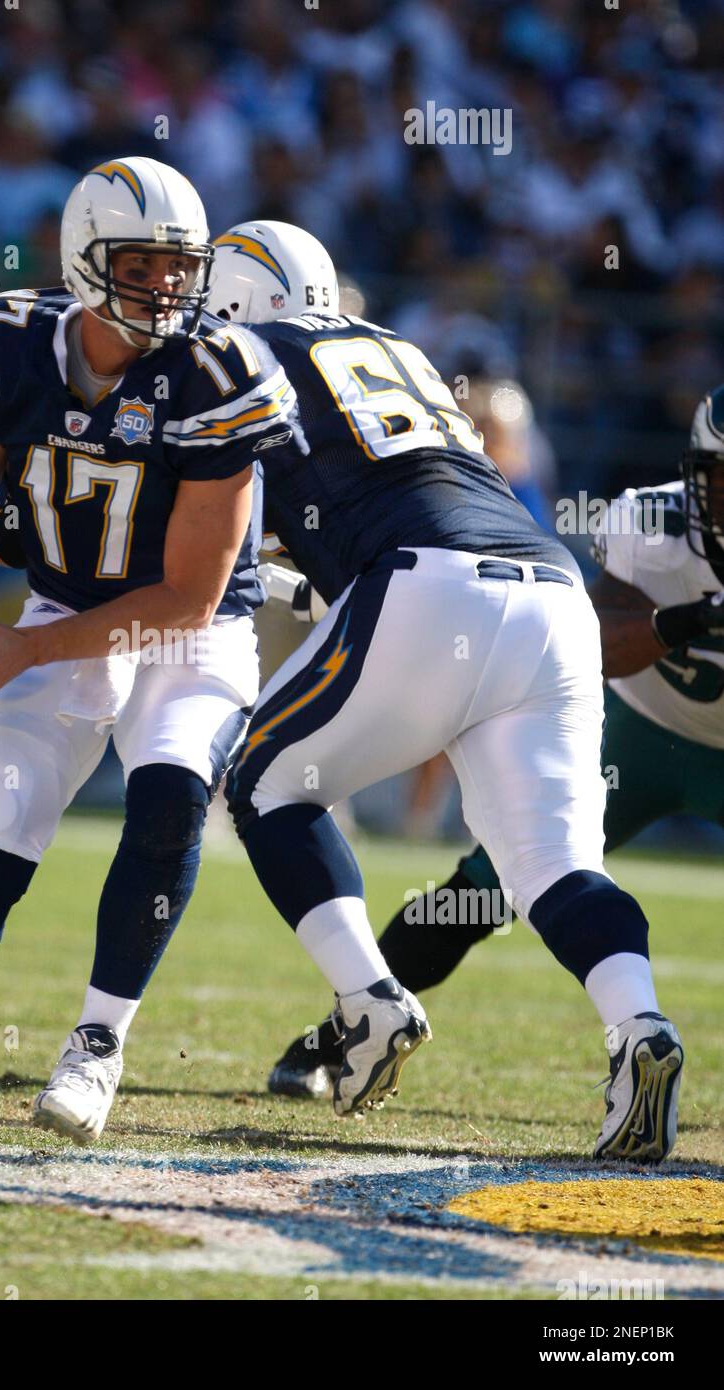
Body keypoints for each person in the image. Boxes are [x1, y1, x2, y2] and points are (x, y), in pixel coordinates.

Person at [0, 157, 297, 1147]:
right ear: (85, 258)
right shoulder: (6, 342)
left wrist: (25, 650)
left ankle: (98, 1041)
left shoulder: (220, 373)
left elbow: (188, 594)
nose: (165, 285)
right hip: (62, 603)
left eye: (179, 266)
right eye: (140, 262)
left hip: (194, 635)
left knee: (169, 796)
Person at [208, 219, 682, 1161]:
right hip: (551, 595)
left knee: (265, 784)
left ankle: (369, 998)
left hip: (429, 585)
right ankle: (640, 1029)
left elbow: (236, 521)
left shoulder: (237, 355)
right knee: (553, 867)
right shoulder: (401, 352)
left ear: (233, 299)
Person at [270, 389, 724, 1106]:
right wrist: (696, 616)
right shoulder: (654, 521)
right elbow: (598, 641)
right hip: (643, 732)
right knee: (483, 891)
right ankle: (342, 1030)